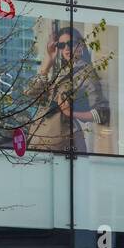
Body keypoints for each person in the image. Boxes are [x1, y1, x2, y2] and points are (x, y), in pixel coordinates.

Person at [26, 25, 109, 153]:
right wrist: (48, 62)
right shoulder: (61, 71)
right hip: (38, 140)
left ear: (80, 46)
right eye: (61, 45)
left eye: (70, 43)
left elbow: (102, 113)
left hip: (61, 143)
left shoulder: (87, 73)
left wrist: (71, 113)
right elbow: (32, 94)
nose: (66, 49)